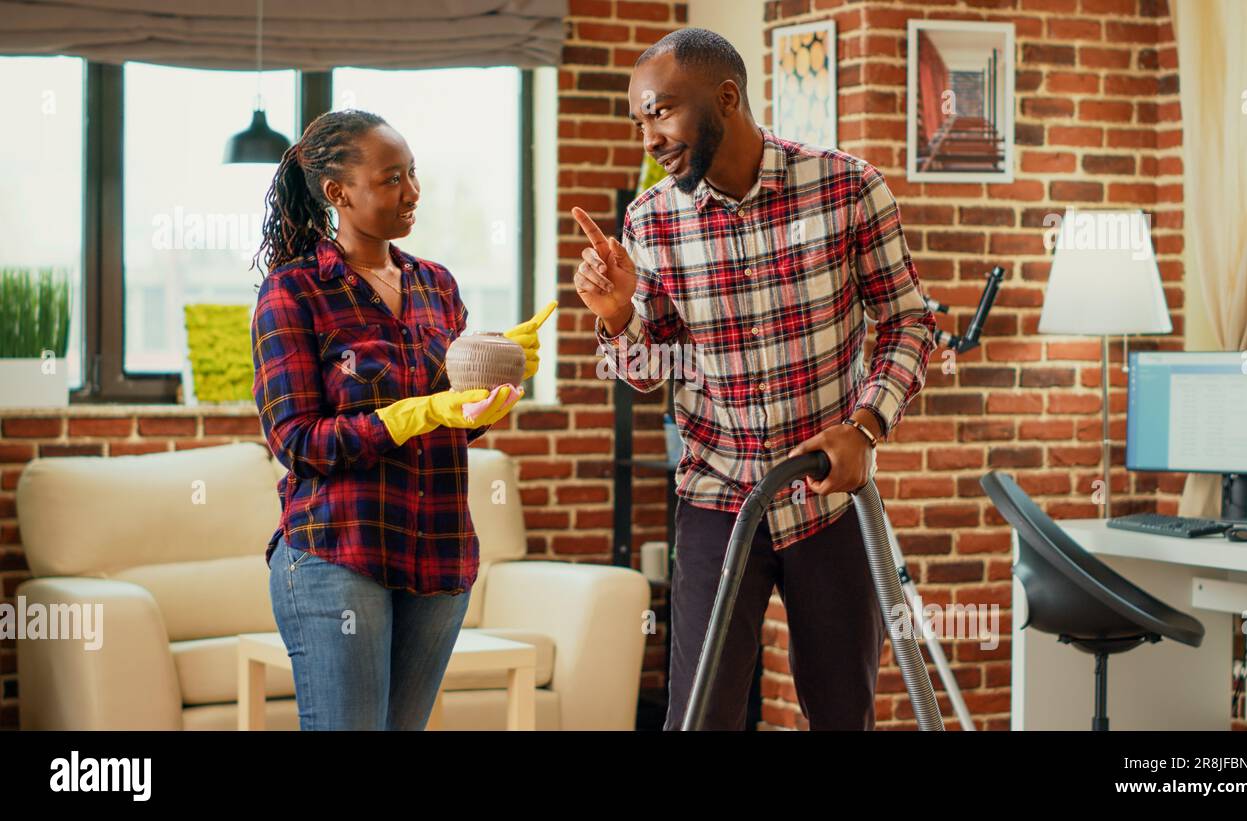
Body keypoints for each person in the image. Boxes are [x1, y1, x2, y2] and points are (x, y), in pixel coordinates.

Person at [572, 28, 937, 730]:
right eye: (639, 120)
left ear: (727, 98)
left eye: (662, 111)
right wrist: (620, 317)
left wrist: (866, 426)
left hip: (828, 504)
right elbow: (652, 372)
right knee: (700, 713)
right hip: (716, 497)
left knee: (841, 713)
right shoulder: (651, 220)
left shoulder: (847, 187)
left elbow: (909, 322)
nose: (649, 136)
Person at [251, 108, 556, 730]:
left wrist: (493, 385)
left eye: (412, 173)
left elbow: (452, 421)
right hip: (339, 551)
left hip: (438, 550)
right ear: (338, 193)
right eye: (392, 178)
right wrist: (414, 413)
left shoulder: (435, 284)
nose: (413, 192)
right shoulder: (293, 292)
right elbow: (297, 442)